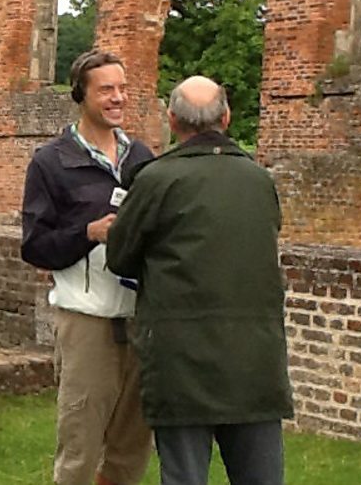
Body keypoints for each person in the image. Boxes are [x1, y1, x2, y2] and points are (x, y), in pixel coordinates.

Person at [106, 76, 294, 485]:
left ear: (172, 121)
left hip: (180, 356)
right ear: (226, 117)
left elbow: (119, 257)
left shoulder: (155, 179)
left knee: (185, 476)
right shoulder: (259, 181)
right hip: (254, 357)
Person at [21, 49, 155, 485]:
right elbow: (36, 246)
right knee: (80, 449)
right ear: (81, 95)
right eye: (106, 90)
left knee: (131, 450)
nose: (118, 98)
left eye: (122, 88)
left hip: (139, 319)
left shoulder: (141, 158)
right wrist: (89, 233)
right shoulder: (51, 162)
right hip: (87, 323)